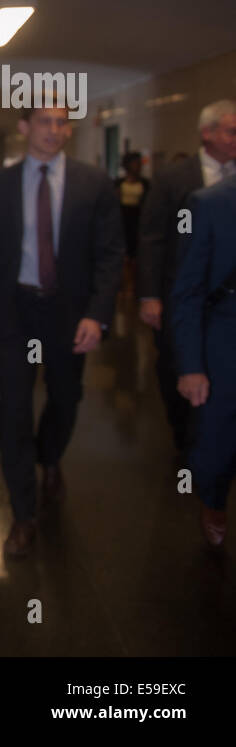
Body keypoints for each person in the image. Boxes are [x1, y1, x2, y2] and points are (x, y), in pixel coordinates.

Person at [0, 105, 124, 558]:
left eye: (62, 123)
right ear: (24, 128)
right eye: (44, 122)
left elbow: (111, 255)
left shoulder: (93, 183)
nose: (54, 131)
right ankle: (23, 514)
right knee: (14, 412)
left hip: (68, 313)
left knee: (65, 398)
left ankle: (51, 456)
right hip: (14, 312)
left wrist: (96, 315)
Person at [137, 99, 236, 451]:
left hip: (225, 301)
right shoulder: (174, 179)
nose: (235, 138)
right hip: (179, 296)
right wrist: (150, 295)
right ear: (206, 134)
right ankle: (185, 440)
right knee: (176, 367)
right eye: (231, 131)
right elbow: (152, 238)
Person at [172, 171, 236, 547]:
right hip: (224, 343)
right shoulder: (208, 203)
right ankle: (213, 502)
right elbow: (188, 291)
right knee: (217, 445)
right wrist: (191, 365)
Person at [116, 151, 150, 261]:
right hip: (123, 219)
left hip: (138, 219)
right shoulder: (118, 183)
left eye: (139, 163)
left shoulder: (146, 184)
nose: (137, 166)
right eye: (134, 163)